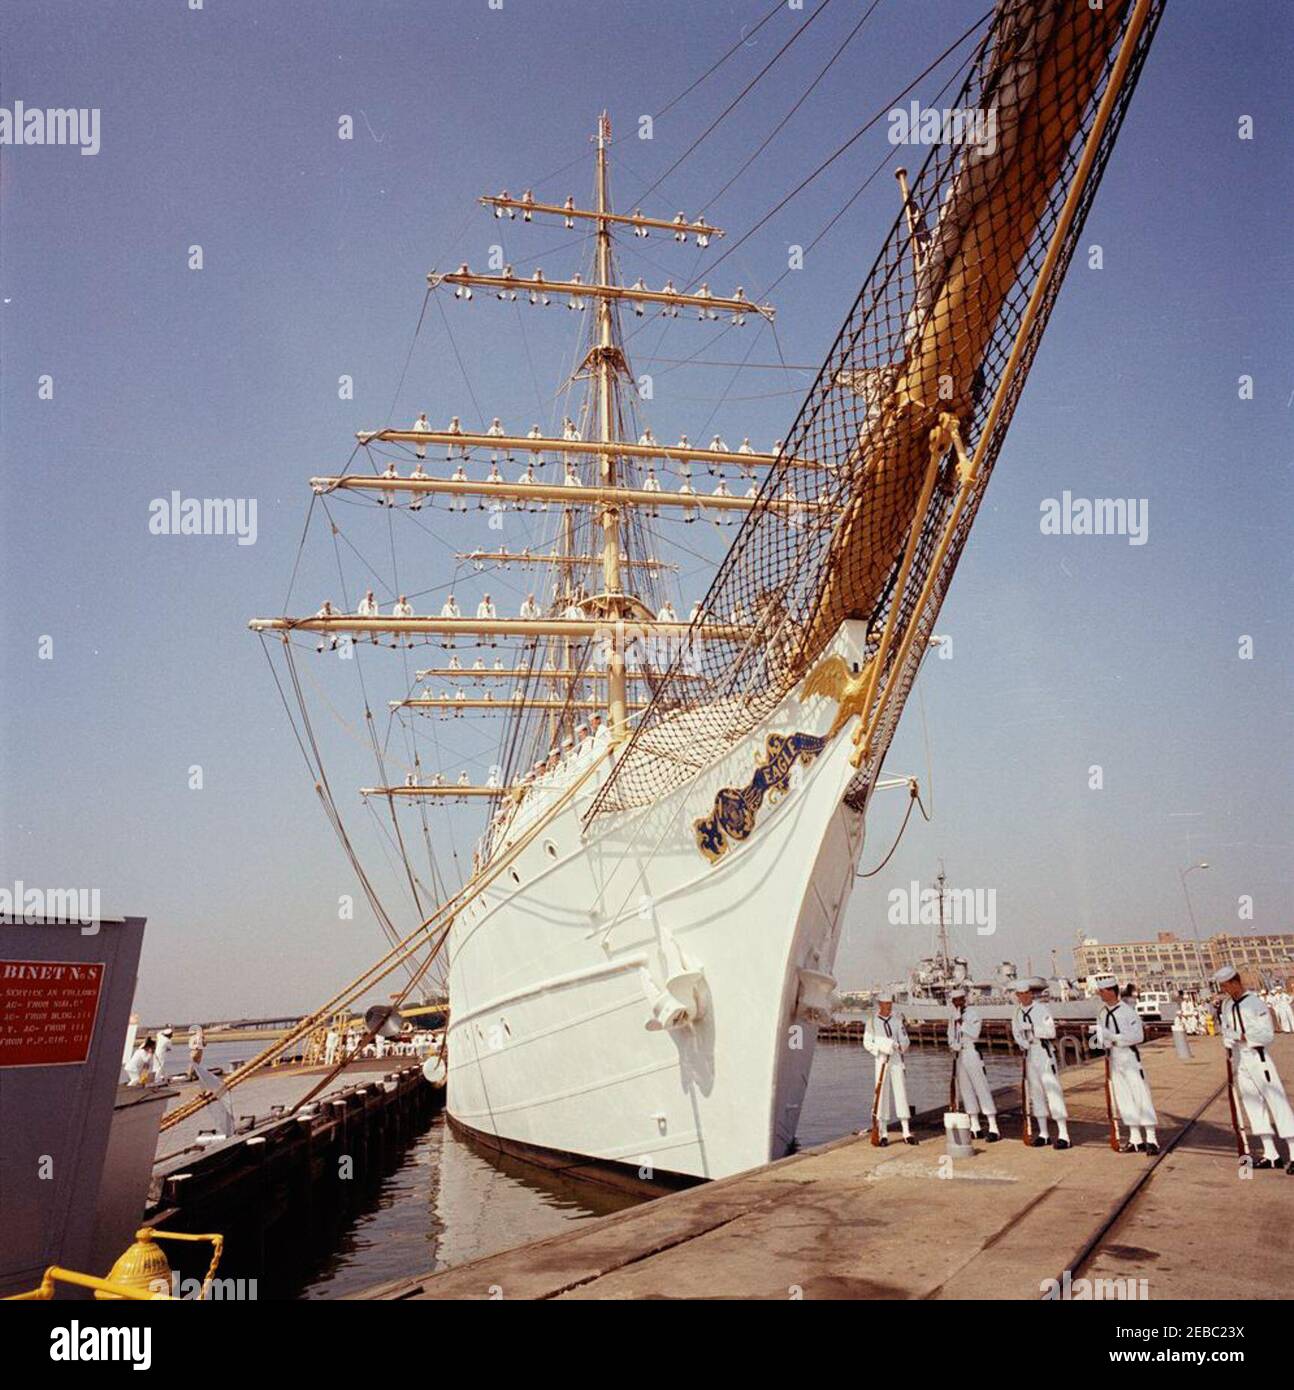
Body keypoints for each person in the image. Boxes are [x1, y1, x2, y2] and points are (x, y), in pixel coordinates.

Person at [1214, 965, 1294, 1172]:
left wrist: (1240, 1036)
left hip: (1259, 1058)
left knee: (1276, 1102)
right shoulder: (1227, 1005)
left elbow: (1267, 1035)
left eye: (1225, 986)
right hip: (1241, 1061)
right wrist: (1228, 1040)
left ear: (1235, 982)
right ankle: (1271, 1154)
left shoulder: (1255, 1003)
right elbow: (1226, 1028)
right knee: (1253, 1106)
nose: (1224, 990)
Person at [1091, 974, 1159, 1153]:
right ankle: (1135, 1138)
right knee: (1124, 1097)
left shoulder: (1128, 1011)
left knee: (1141, 1095)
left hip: (1129, 1057)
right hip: (1114, 1059)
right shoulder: (1101, 1013)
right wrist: (1101, 1040)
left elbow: (1138, 1036)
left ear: (1112, 991)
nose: (1100, 995)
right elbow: (1099, 1038)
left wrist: (1113, 1038)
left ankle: (1151, 1138)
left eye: (1103, 991)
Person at [1012, 978, 1071, 1149]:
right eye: (1020, 994)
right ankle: (1044, 1133)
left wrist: (1031, 1027)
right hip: (1029, 1053)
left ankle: (1064, 1135)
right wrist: (1021, 1042)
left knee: (1052, 1091)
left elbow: (1051, 1031)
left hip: (1043, 1052)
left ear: (1031, 994)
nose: (1024, 997)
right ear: (1017, 996)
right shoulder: (1016, 1012)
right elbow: (1016, 1031)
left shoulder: (1041, 1009)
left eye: (1026, 993)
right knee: (1036, 1094)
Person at [948, 988, 1000, 1141]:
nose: (957, 1003)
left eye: (960, 1000)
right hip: (960, 1055)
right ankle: (975, 1126)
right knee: (966, 1090)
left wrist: (961, 1023)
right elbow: (950, 1034)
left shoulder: (972, 1014)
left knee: (981, 1087)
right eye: (954, 1001)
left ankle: (993, 1127)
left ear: (964, 1000)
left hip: (972, 1052)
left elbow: (975, 1033)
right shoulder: (952, 1016)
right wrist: (953, 1044)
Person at [864, 992, 915, 1144]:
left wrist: (900, 1046)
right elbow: (867, 1043)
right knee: (882, 1096)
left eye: (890, 1004)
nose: (888, 1007)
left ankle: (906, 1131)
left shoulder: (897, 1021)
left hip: (896, 1058)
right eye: (886, 1004)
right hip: (881, 1060)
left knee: (901, 1092)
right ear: (880, 1005)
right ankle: (884, 1132)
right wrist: (881, 1048)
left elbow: (905, 1039)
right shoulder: (872, 1022)